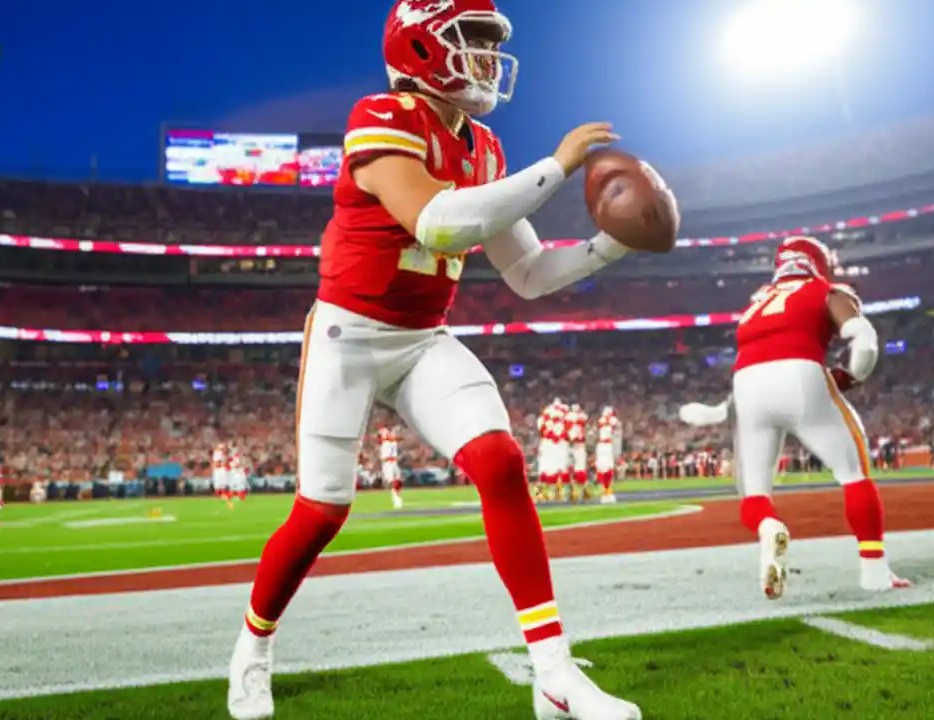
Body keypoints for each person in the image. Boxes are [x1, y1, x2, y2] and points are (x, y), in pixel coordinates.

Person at [226, 2, 648, 718]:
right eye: (471, 39)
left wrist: (613, 243)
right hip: (348, 336)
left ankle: (554, 675)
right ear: (420, 47)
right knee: (321, 513)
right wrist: (557, 167)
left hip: (423, 338)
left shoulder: (484, 147)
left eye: (489, 42)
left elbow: (530, 272)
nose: (486, 56)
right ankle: (252, 650)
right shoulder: (380, 116)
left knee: (502, 463)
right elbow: (436, 221)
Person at [679, 236, 910, 599]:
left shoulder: (757, 302)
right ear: (819, 263)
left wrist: (720, 411)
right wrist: (853, 375)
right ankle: (874, 570)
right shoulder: (826, 290)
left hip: (747, 387)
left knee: (754, 495)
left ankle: (769, 527)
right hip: (801, 376)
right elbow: (863, 339)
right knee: (854, 474)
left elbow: (758, 361)